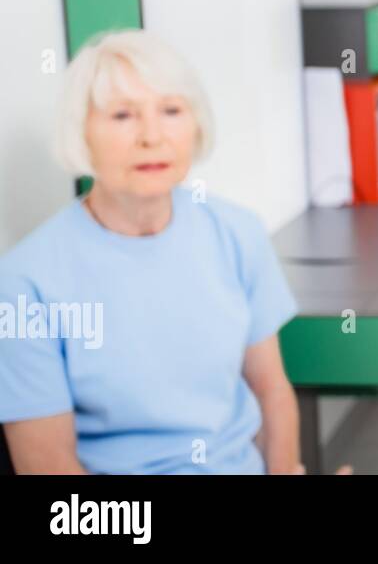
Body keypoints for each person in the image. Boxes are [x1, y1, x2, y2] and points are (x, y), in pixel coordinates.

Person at [0, 29, 349, 474]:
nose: (151, 136)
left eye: (171, 110)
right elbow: (47, 466)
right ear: (80, 132)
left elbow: (272, 393)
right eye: (122, 115)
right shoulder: (24, 283)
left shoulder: (236, 232)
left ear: (195, 123)